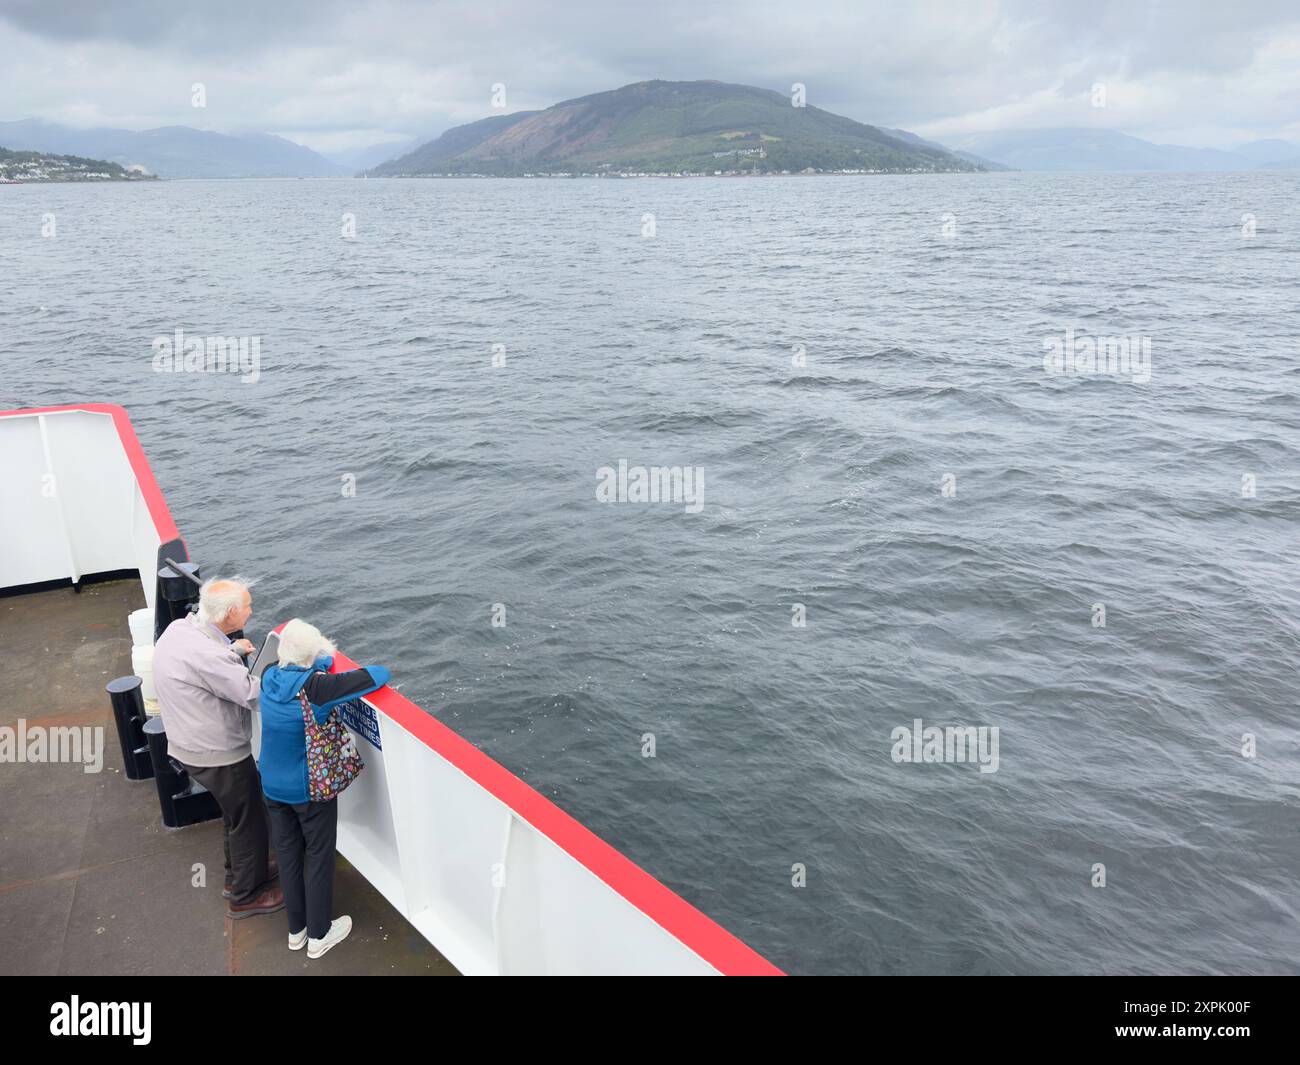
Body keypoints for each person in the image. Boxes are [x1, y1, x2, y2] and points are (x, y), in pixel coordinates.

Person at [258, 619, 389, 959]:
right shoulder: (317, 690)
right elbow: (377, 674)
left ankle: (296, 931)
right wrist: (324, 658)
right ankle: (319, 935)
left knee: (288, 856)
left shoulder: (270, 675)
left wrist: (315, 659)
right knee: (317, 856)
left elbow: (307, 666)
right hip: (307, 791)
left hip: (271, 786)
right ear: (312, 654)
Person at [153, 577, 283, 918]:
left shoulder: (180, 630)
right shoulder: (209, 656)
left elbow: (203, 664)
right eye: (247, 608)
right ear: (228, 614)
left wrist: (231, 651)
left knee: (235, 815)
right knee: (250, 819)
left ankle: (238, 875)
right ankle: (246, 895)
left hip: (187, 743)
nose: (252, 612)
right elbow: (253, 695)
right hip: (218, 753)